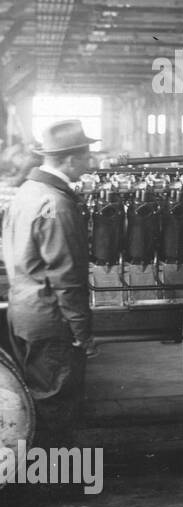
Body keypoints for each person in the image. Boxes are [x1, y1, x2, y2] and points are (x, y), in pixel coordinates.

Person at [1, 121, 98, 445]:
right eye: (87, 157)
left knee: (36, 399)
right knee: (56, 403)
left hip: (24, 310)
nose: (90, 163)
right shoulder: (57, 203)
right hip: (52, 319)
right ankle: (55, 482)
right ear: (70, 159)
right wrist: (82, 333)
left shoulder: (27, 192)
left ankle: (41, 475)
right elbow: (67, 279)